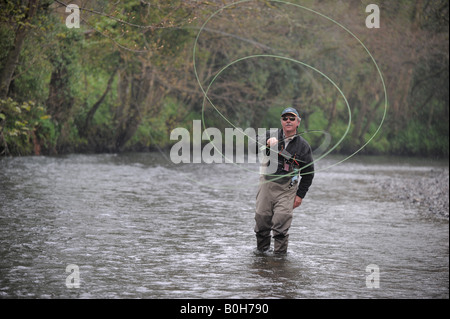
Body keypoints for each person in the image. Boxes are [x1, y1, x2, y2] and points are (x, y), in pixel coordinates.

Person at [254, 107, 314, 254]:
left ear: (298, 123)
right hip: (266, 185)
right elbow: (254, 145)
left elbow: (308, 174)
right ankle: (261, 257)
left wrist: (300, 196)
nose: (288, 121)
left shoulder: (303, 146)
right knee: (262, 223)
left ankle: (279, 262)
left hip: (287, 189)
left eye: (292, 118)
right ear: (281, 121)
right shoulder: (270, 135)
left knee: (280, 224)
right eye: (285, 118)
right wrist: (267, 143)